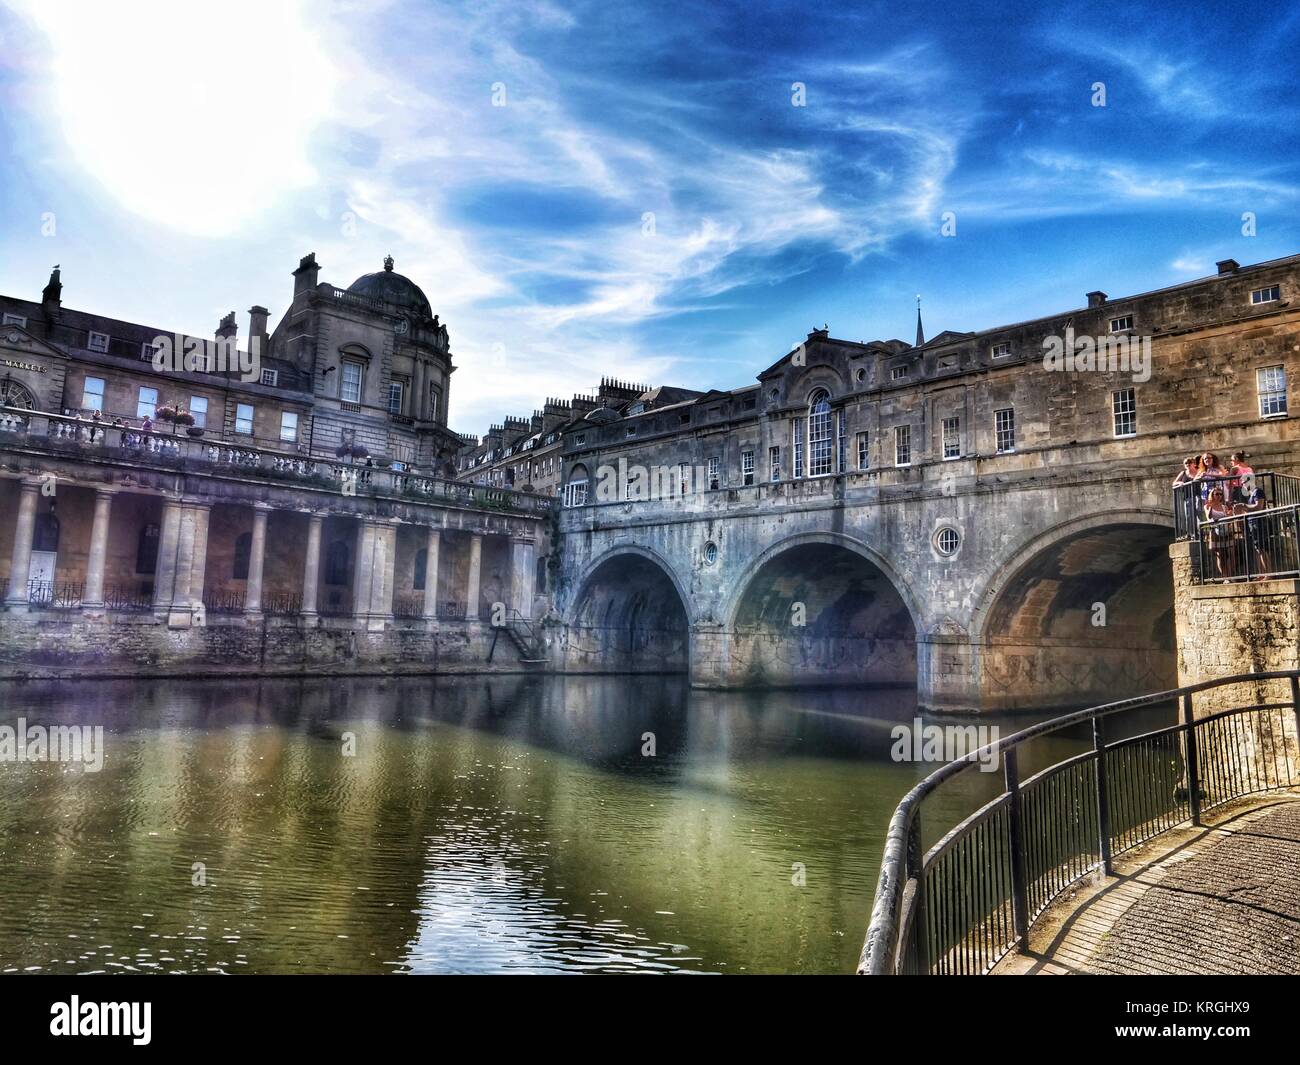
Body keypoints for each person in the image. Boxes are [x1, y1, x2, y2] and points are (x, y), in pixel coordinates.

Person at [1204, 485, 1236, 580]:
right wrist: (1211, 507)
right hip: (1215, 531)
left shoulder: (1224, 506)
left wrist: (1229, 514)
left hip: (1226, 530)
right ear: (1212, 495)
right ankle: (1225, 577)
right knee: (1220, 556)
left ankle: (1231, 575)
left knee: (1232, 553)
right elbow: (1209, 517)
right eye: (1216, 494)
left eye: (1220, 494)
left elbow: (1228, 517)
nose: (1219, 496)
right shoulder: (1208, 506)